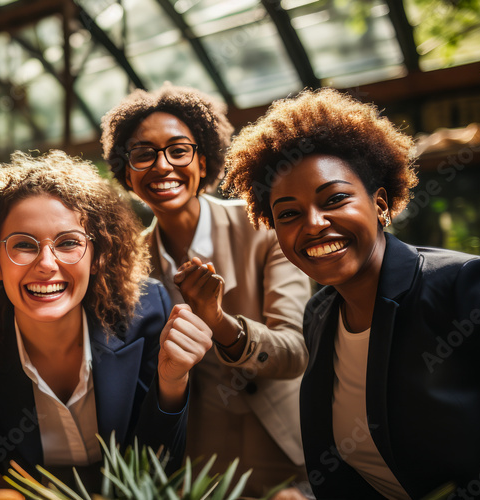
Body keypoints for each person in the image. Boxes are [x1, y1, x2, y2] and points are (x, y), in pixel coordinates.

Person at [222, 87, 480, 498]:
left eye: (334, 198)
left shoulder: (463, 283)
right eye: (289, 214)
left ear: (381, 203)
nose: (313, 224)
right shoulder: (319, 314)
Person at [0, 150, 213, 486]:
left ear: (96, 257)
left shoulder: (145, 311)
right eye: (24, 245)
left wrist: (172, 381)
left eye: (68, 242)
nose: (46, 263)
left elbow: (158, 471)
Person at [100, 84, 309, 496]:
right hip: (196, 462)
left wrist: (218, 321)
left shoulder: (264, 231)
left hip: (287, 447)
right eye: (143, 154)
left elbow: (294, 351)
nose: (162, 166)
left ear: (204, 160)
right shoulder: (127, 264)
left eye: (179, 150)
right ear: (127, 172)